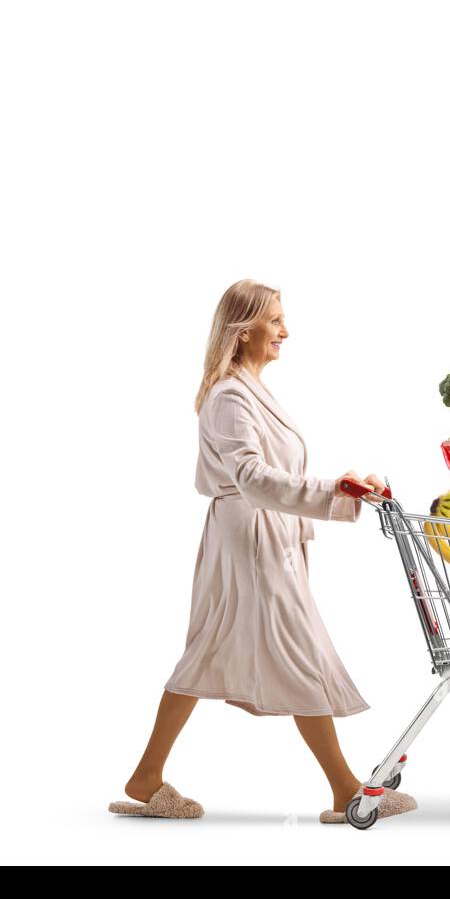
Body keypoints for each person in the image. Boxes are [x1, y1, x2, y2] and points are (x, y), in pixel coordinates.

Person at [108, 279, 416, 824]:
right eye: (274, 320)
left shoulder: (247, 390)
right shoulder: (229, 397)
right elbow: (250, 477)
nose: (285, 330)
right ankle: (346, 790)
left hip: (255, 537)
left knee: (210, 650)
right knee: (299, 651)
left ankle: (146, 774)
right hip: (251, 541)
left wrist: (338, 490)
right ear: (242, 328)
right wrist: (329, 492)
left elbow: (270, 472)